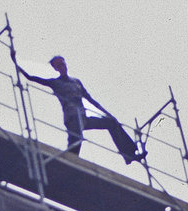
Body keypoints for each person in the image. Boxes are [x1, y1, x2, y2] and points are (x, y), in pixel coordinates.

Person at [13, 54, 144, 163]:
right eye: (58, 65)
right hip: (72, 118)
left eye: (62, 63)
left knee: (111, 123)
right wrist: (16, 63)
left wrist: (108, 114)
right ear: (55, 68)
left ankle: (129, 154)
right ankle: (70, 163)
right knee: (76, 140)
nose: (62, 66)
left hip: (83, 117)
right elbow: (31, 78)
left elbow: (90, 100)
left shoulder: (76, 82)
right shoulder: (55, 82)